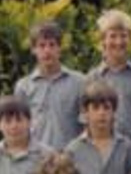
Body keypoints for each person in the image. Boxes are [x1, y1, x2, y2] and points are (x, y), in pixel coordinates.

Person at [87, 9, 131, 144]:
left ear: (130, 39)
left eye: (123, 36)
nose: (118, 42)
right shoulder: (93, 78)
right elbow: (86, 121)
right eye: (113, 36)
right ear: (103, 40)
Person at [12, 20, 87, 150]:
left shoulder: (79, 82)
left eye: (52, 45)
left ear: (60, 48)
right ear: (33, 49)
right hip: (36, 160)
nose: (47, 50)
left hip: (71, 159)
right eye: (41, 45)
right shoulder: (23, 87)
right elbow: (19, 129)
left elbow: (87, 124)